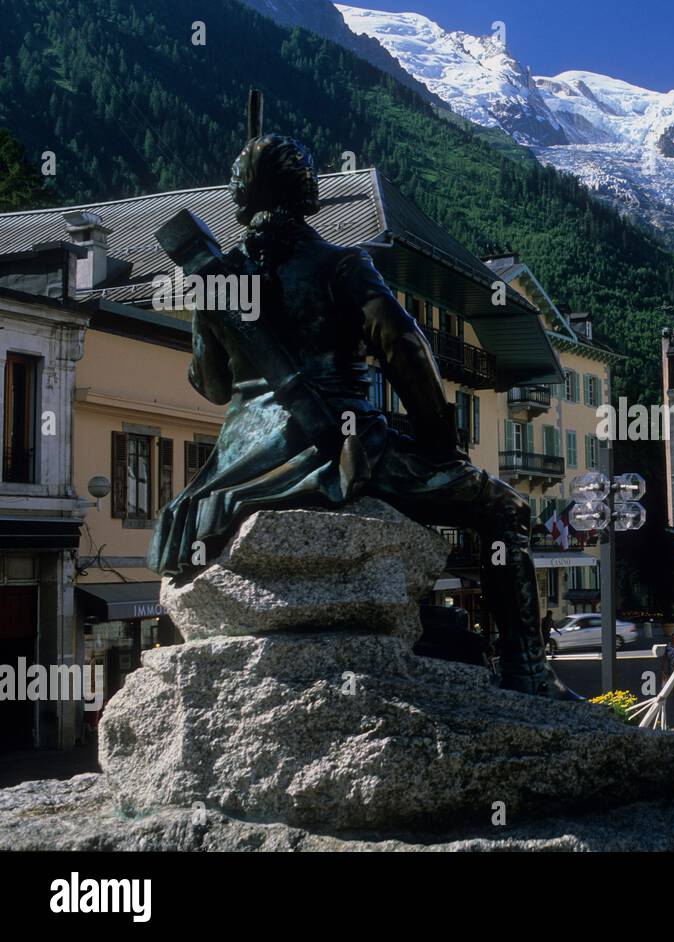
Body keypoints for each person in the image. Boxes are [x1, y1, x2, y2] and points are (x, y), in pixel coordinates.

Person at [147, 133, 557, 697]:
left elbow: (212, 386)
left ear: (240, 203)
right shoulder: (341, 265)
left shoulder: (218, 277)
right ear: (311, 196)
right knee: (502, 508)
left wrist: (216, 317)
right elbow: (405, 347)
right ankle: (526, 671)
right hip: (338, 443)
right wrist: (442, 444)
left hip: (240, 464)